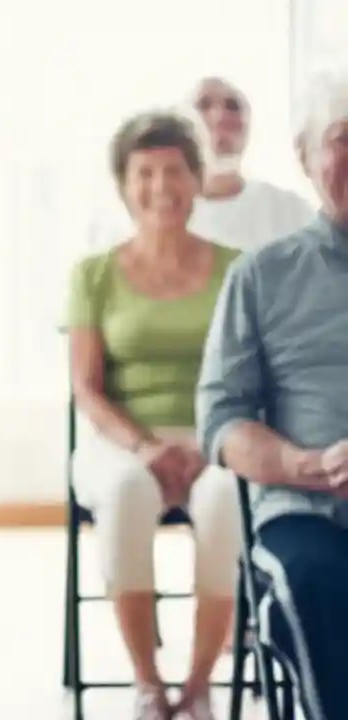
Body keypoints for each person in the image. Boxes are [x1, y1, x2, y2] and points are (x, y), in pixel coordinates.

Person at [67, 111, 244, 719]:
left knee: (227, 499)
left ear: (197, 181)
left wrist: (212, 442)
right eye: (145, 172)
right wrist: (145, 448)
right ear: (124, 184)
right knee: (125, 491)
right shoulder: (93, 273)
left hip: (215, 438)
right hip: (121, 440)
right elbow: (86, 390)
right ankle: (148, 683)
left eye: (175, 171)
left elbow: (251, 379)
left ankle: (198, 686)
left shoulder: (236, 269)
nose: (161, 186)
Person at [197, 67, 348, 720]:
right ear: (307, 159)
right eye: (344, 137)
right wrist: (309, 466)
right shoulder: (261, 275)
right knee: (316, 587)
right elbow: (222, 418)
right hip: (307, 513)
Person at [85, 77, 314, 254]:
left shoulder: (289, 211)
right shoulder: (130, 219)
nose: (220, 116)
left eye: (233, 106)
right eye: (204, 105)